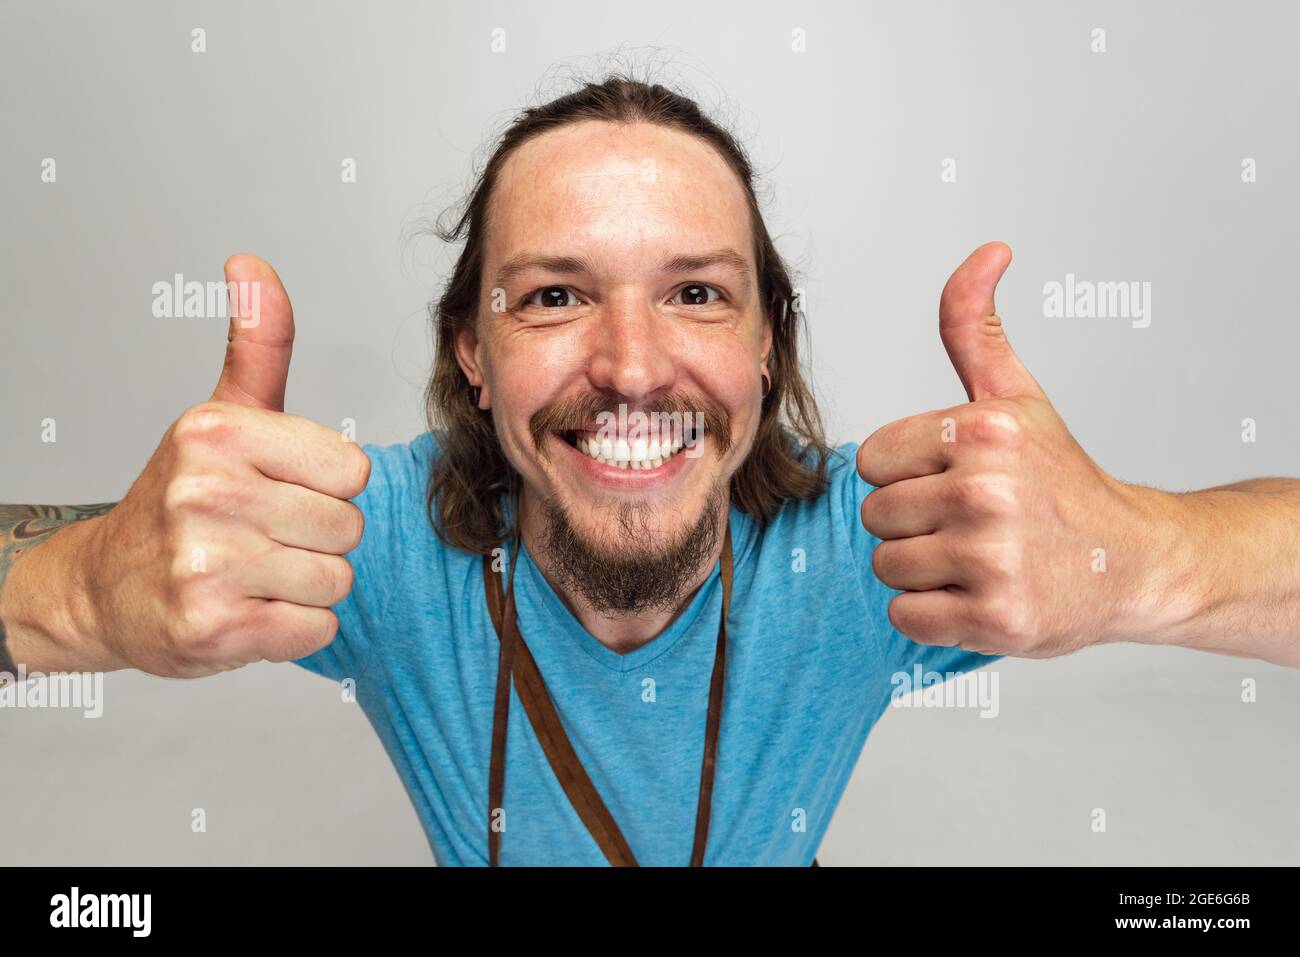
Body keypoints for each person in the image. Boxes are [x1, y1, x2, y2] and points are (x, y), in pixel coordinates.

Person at [2, 76, 1297, 866]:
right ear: (473, 347)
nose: (631, 362)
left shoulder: (875, 544)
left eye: (696, 292)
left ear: (765, 341)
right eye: (557, 292)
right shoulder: (371, 542)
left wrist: (1149, 555)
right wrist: (78, 584)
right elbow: (61, 584)